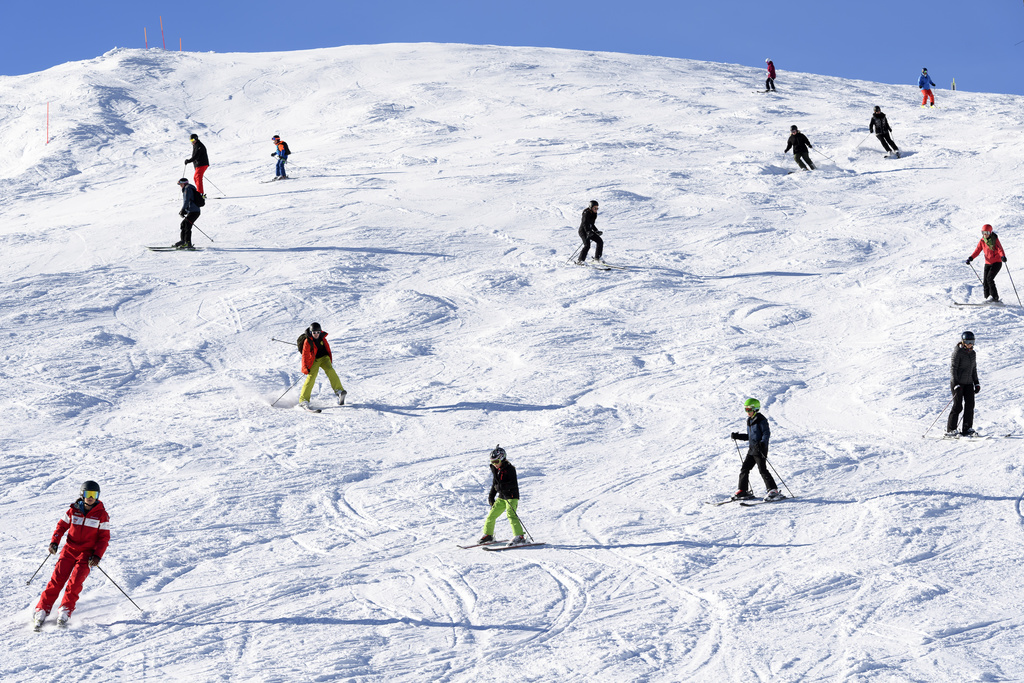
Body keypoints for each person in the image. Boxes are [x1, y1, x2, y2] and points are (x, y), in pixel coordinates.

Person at [33, 481, 110, 629]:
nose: (91, 498)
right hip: (69, 550)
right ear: (82, 494)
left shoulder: (102, 515)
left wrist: (97, 556)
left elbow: (104, 538)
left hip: (86, 554)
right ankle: (42, 608)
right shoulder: (73, 511)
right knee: (57, 579)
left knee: (75, 583)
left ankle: (65, 609)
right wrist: (54, 542)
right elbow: (61, 527)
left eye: (94, 495)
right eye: (88, 494)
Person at [730, 399, 782, 501]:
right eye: (746, 409)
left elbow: (766, 434)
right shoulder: (749, 420)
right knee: (744, 469)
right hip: (752, 449)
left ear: (755, 409)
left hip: (760, 449)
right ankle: (742, 490)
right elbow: (750, 436)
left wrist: (762, 444)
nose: (747, 412)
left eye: (749, 409)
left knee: (762, 469)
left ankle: (773, 491)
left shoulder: (761, 420)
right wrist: (738, 436)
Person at [478, 445, 526, 546]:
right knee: (491, 515)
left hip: (512, 496)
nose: (494, 464)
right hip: (502, 497)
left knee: (511, 515)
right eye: (492, 462)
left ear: (502, 458)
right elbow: (495, 484)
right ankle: (488, 535)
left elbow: (513, 483)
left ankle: (519, 536)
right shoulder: (496, 470)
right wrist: (491, 496)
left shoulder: (510, 469)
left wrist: (502, 487)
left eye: (496, 461)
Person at [297, 322, 346, 409]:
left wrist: (329, 359)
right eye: (314, 332)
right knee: (311, 377)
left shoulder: (322, 337)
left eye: (318, 332)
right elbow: (305, 355)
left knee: (330, 370)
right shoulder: (307, 341)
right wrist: (305, 367)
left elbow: (327, 348)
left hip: (324, 358)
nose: (316, 334)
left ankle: (339, 391)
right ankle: (303, 400)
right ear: (311, 332)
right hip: (314, 360)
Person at [946, 332, 980, 437]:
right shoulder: (958, 352)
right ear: (963, 342)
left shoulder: (973, 353)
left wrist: (976, 383)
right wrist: (956, 383)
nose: (970, 344)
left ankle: (967, 429)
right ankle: (951, 429)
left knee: (970, 405)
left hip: (969, 383)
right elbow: (953, 369)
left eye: (972, 342)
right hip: (958, 383)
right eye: (968, 342)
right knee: (958, 406)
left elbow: (973, 369)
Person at [966, 224, 1008, 302]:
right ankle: (987, 298)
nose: (985, 234)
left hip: (996, 263)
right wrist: (971, 258)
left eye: (987, 233)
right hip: (987, 263)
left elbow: (1000, 249)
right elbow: (977, 250)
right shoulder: (982, 241)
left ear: (990, 232)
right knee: (985, 282)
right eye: (983, 232)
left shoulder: (995, 240)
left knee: (989, 279)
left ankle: (995, 298)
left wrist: (1003, 256)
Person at [175, 178, 202, 250]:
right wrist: (185, 211)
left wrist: (183, 210)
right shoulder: (188, 188)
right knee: (184, 224)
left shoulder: (187, 188)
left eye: (181, 184)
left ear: (184, 183)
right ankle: (183, 241)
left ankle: (187, 243)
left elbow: (186, 201)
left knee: (187, 225)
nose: (180, 186)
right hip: (192, 211)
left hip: (194, 211)